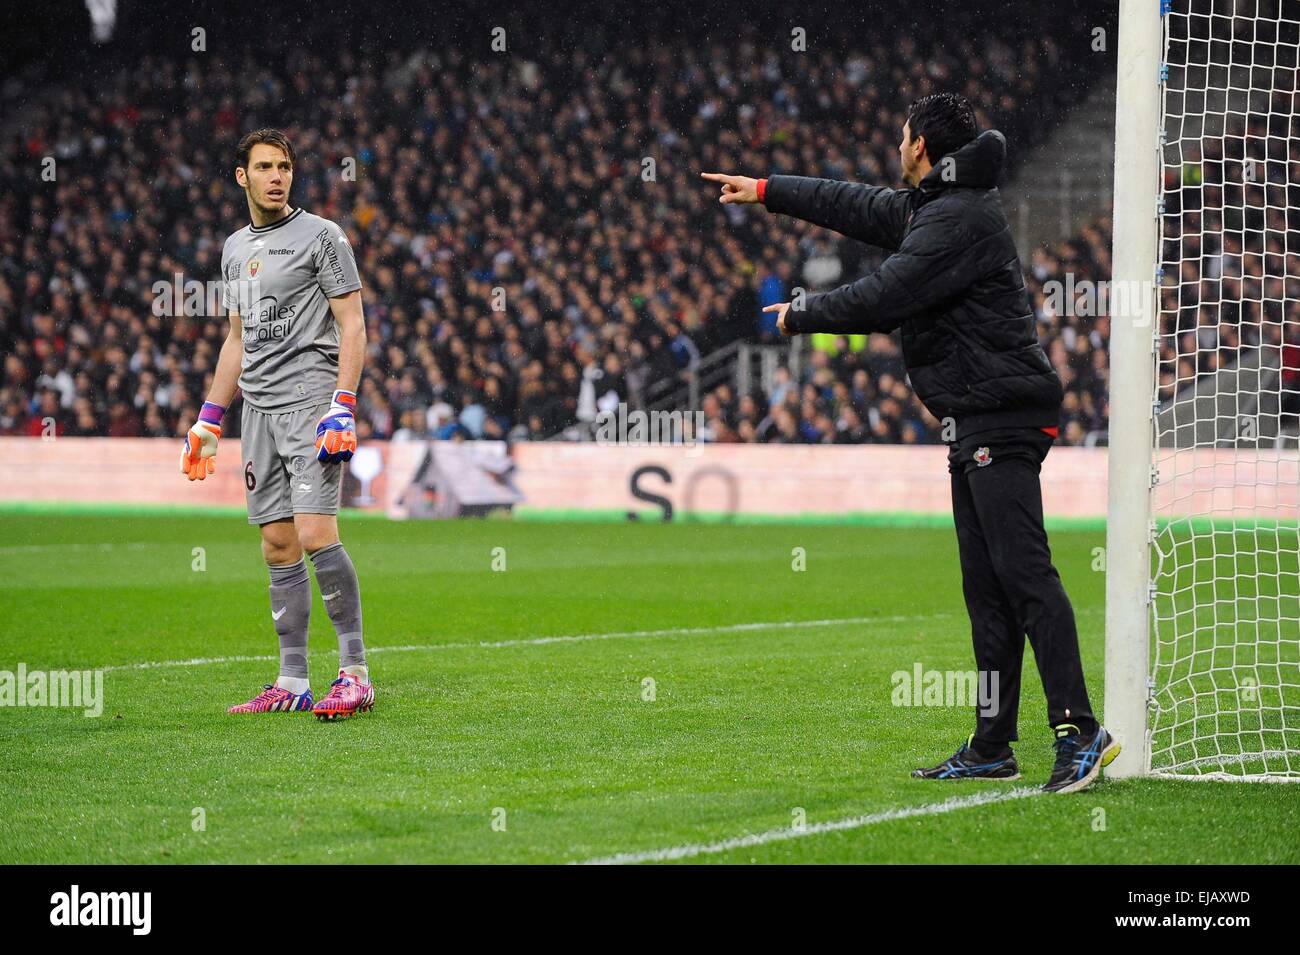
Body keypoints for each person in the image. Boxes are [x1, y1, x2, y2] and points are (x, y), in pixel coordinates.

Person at [702, 92, 1118, 793]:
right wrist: (769, 191)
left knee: (1023, 575)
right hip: (974, 415)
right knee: (987, 590)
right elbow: (852, 203)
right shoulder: (938, 207)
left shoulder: (957, 219)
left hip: (1003, 413)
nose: (896, 146)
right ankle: (992, 743)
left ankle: (1079, 729)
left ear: (921, 146)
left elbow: (885, 294)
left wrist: (801, 315)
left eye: (902, 136)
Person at [180, 128, 374, 721]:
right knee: (277, 543)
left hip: (312, 405)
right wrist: (209, 420)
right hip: (258, 413)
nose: (276, 176)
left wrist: (344, 402)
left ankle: (355, 673)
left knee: (317, 534)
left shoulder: (324, 237)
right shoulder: (235, 249)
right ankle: (292, 680)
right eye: (264, 166)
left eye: (284, 166)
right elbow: (236, 340)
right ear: (242, 177)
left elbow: (354, 324)